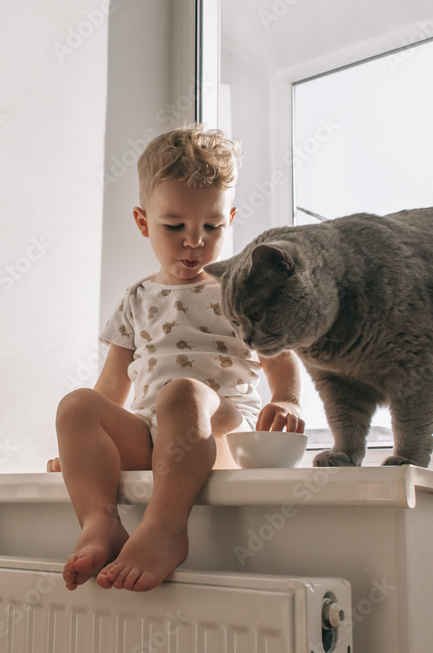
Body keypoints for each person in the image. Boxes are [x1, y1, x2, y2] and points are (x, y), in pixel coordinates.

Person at [47, 124, 305, 592]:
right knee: (75, 406)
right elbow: (110, 389)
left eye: (211, 226)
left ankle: (165, 527)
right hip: (151, 437)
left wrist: (286, 400)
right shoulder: (137, 298)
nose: (194, 241)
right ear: (144, 222)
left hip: (218, 426)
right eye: (175, 227)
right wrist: (81, 448)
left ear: (230, 220)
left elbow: (278, 356)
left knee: (183, 393)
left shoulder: (239, 289)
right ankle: (100, 522)